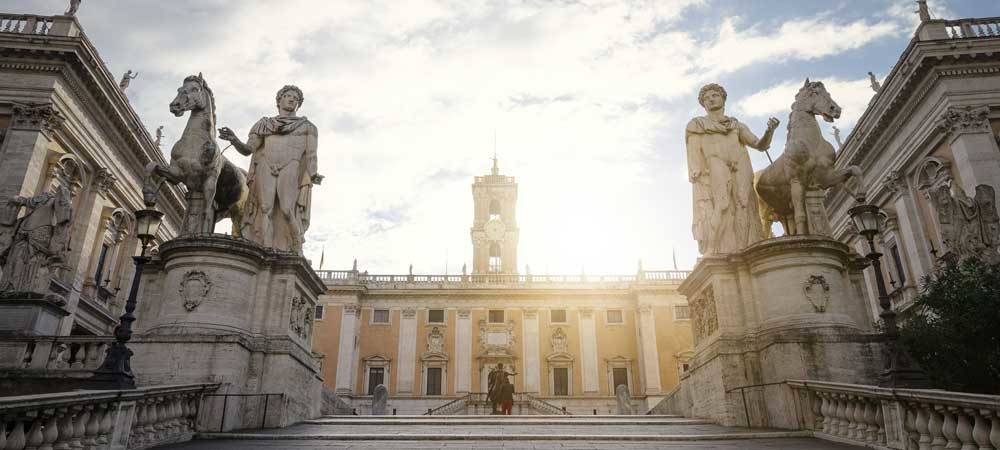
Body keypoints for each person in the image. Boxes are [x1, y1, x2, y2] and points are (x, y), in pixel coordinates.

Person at [219, 85, 322, 254]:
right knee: (265, 208)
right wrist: (234, 139)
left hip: (291, 165)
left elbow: (311, 154)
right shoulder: (264, 124)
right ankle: (265, 249)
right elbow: (248, 149)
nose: (291, 99)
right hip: (266, 165)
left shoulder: (308, 127)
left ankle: (296, 244)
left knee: (287, 209)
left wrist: (313, 173)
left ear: (299, 104)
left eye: (295, 99)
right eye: (288, 96)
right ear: (279, 100)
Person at [686, 83, 778, 255]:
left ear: (723, 98)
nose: (710, 100)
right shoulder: (697, 124)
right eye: (706, 98)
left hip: (740, 165)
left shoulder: (736, 125)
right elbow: (693, 153)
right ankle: (713, 249)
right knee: (720, 206)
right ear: (703, 104)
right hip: (715, 165)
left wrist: (770, 130)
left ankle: (745, 249)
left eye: (714, 95)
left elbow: (760, 145)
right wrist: (697, 171)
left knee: (744, 204)